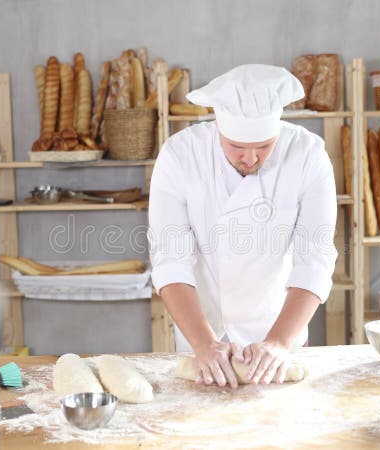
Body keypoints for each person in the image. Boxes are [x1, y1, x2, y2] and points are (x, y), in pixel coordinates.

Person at [148, 64, 337, 388]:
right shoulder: (181, 155)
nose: (250, 158)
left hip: (279, 327)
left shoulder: (308, 154)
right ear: (218, 128)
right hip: (203, 337)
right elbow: (170, 261)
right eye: (236, 147)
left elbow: (315, 261)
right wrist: (205, 344)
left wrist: (279, 342)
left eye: (264, 147)